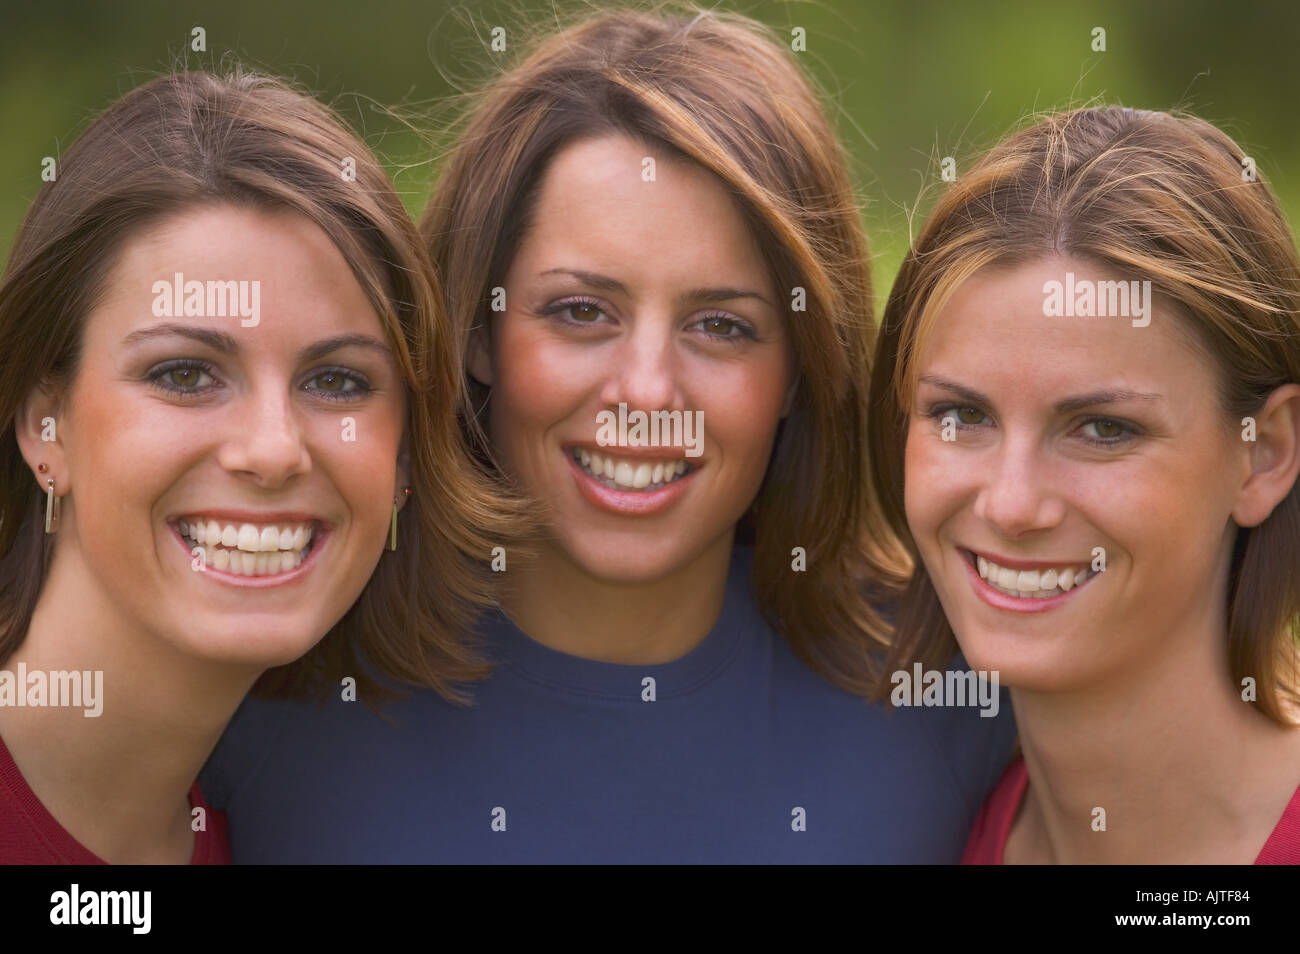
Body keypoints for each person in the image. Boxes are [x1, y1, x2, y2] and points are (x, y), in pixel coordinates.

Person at [202, 8, 1016, 863]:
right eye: (581, 312)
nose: (646, 391)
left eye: (721, 326)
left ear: (799, 371)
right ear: (478, 334)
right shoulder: (267, 681)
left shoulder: (955, 693)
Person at [0, 70, 507, 863]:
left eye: (336, 381)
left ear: (406, 454)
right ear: (44, 423)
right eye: (184, 373)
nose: (272, 449)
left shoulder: (285, 828)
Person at [868, 105, 1300, 864]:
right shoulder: (925, 826)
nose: (1010, 505)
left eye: (1103, 429)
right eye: (961, 414)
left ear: (1263, 453)